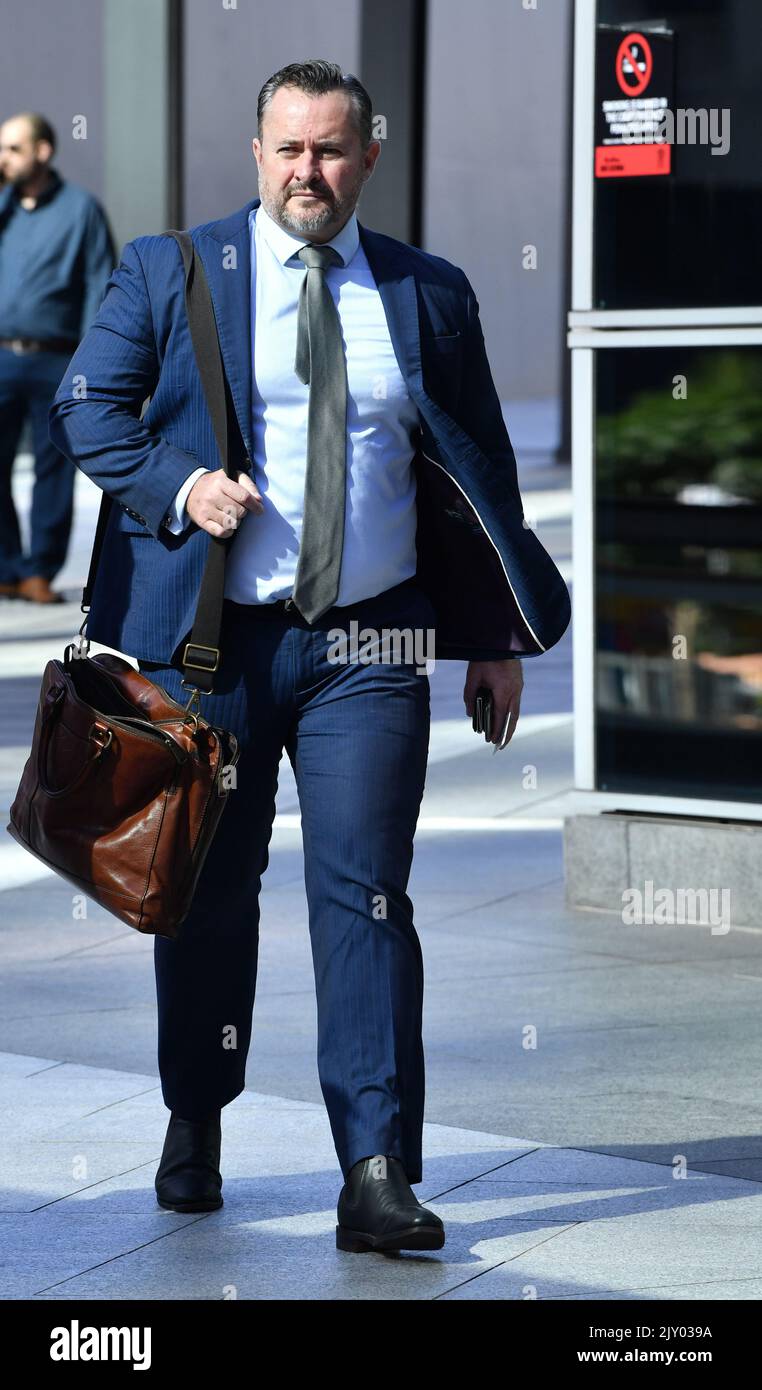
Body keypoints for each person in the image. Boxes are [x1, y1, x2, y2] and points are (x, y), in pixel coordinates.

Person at [49, 59, 570, 1255]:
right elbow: (87, 410)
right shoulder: (168, 270)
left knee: (368, 896)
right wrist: (179, 484)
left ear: (368, 160)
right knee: (209, 897)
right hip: (209, 645)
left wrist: (492, 639)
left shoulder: (428, 293)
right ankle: (196, 1110)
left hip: (370, 640)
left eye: (332, 152)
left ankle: (376, 1168)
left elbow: (478, 469)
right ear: (257, 153)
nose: (309, 173)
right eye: (289, 149)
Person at [0, 111, 115, 603]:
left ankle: (38, 573)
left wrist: (91, 362)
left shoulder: (80, 210)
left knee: (53, 470)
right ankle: (6, 566)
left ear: (43, 152)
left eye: (13, 149)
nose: (3, 159)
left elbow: (98, 283)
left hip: (56, 360)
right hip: (1, 356)